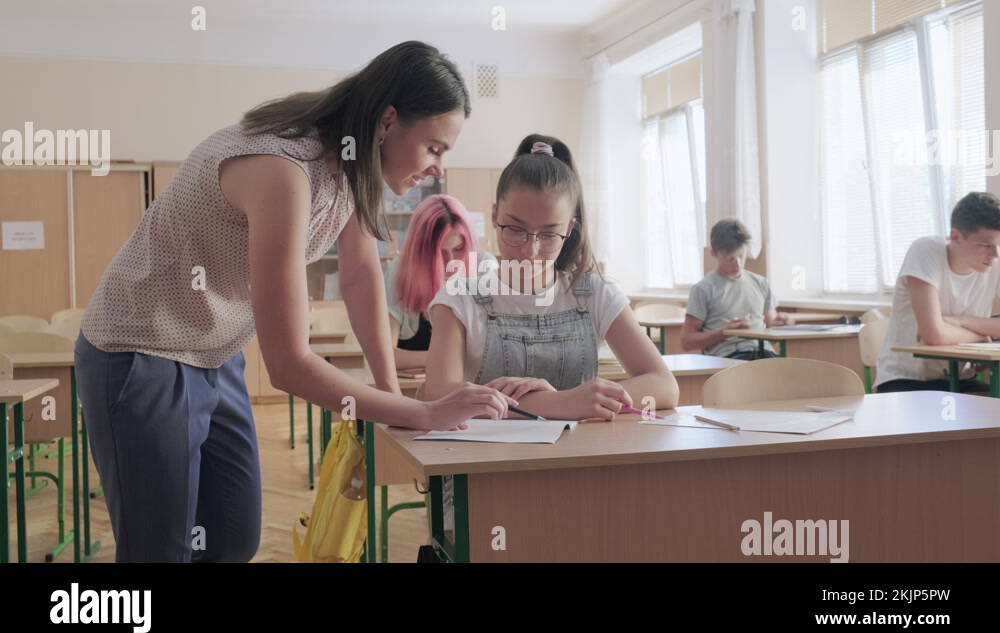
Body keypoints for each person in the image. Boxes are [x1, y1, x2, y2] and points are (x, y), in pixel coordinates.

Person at [73, 41, 514, 563]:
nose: (437, 168)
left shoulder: (351, 164)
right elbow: (287, 366)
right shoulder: (283, 168)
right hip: (139, 351)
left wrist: (392, 395)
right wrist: (420, 412)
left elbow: (358, 273)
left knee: (232, 537)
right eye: (435, 148)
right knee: (159, 550)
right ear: (388, 122)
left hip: (215, 353)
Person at [423, 134, 678, 419]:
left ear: (569, 229)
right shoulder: (460, 297)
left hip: (580, 456)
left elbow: (663, 385)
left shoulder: (594, 293)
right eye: (516, 229)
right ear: (495, 215)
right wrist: (559, 404)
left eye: (548, 234)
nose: (530, 250)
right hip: (490, 460)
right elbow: (439, 393)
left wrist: (560, 400)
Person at [876, 192, 1000, 393]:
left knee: (994, 414)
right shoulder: (926, 250)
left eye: (998, 245)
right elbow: (933, 335)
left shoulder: (994, 261)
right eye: (985, 245)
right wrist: (982, 336)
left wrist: (961, 322)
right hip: (908, 380)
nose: (994, 254)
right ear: (955, 237)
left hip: (961, 380)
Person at [384, 194, 495, 370]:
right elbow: (385, 356)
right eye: (439, 252)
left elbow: (497, 352)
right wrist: (449, 358)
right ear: (421, 251)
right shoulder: (400, 271)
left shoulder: (484, 267)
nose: (450, 261)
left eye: (458, 249)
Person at [681, 219, 793, 359]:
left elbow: (772, 325)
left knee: (794, 373)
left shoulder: (761, 283)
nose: (738, 264)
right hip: (729, 356)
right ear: (714, 253)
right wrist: (724, 332)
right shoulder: (703, 289)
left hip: (764, 352)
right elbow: (687, 341)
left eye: (741, 256)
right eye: (730, 259)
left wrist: (785, 323)